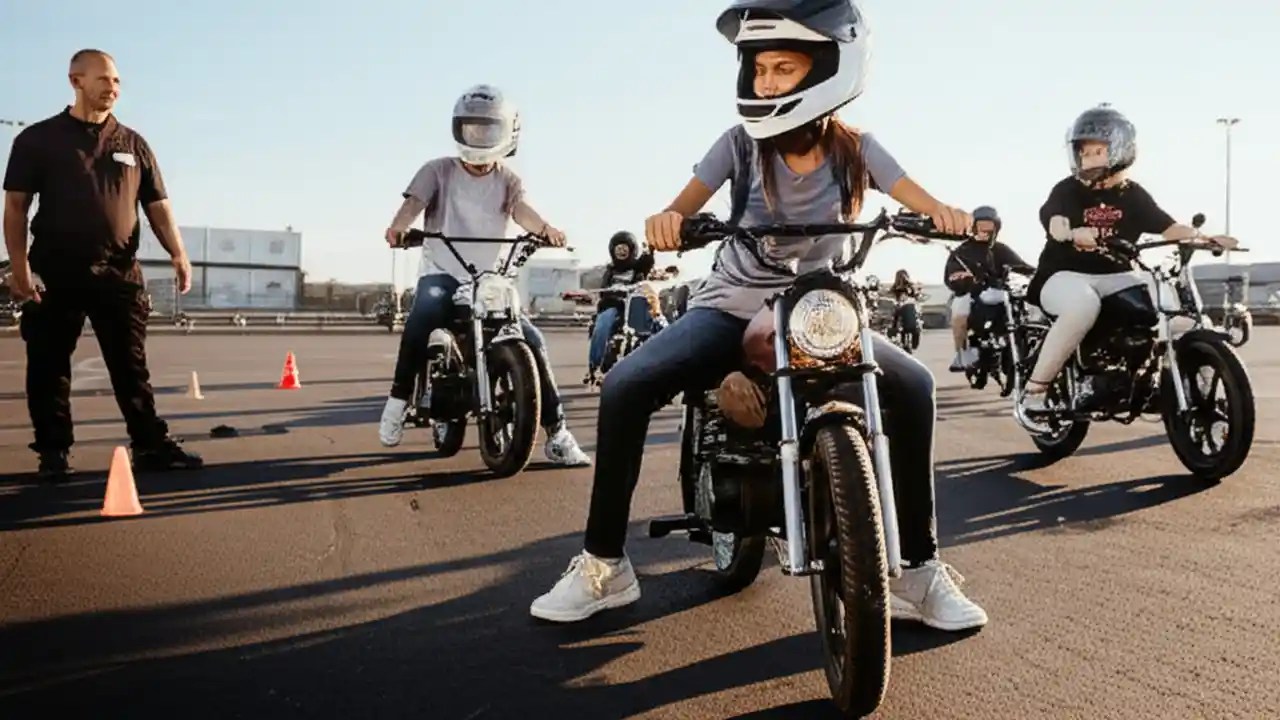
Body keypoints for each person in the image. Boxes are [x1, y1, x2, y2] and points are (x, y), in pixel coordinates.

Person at [531, 0, 988, 632]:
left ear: (829, 70)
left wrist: (948, 216)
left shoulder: (859, 151)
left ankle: (918, 568)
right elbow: (678, 207)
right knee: (625, 385)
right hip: (729, 307)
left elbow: (922, 198)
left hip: (821, 314)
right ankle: (604, 566)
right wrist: (667, 223)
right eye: (761, 68)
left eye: (785, 67)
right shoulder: (738, 147)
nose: (768, 81)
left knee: (914, 386)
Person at [2, 49, 203, 481]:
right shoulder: (37, 140)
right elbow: (16, 208)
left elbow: (158, 206)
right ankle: (53, 452)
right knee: (49, 364)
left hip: (118, 272)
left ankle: (150, 445)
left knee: (131, 365)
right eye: (103, 80)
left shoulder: (133, 143)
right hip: (55, 273)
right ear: (75, 81)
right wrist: (19, 269)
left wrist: (179, 252)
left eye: (117, 82)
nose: (112, 88)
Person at [378, 84, 590, 467]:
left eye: (488, 130)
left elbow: (522, 210)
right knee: (423, 314)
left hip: (489, 281)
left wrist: (546, 229)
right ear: (459, 129)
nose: (479, 137)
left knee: (533, 339)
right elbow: (413, 205)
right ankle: (396, 402)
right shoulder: (437, 170)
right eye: (472, 129)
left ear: (508, 133)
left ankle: (558, 434)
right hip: (443, 273)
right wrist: (398, 228)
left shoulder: (507, 180)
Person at [1020, 104, 1236, 413]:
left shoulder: (1133, 194)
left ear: (1120, 149)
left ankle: (1181, 386)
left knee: (1172, 312)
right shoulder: (1067, 190)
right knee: (1082, 305)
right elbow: (1055, 221)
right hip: (1062, 276)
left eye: (1096, 151)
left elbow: (1168, 227)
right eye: (1083, 152)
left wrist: (1206, 239)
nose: (1087, 158)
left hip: (1115, 275)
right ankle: (1035, 391)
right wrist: (1070, 232)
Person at [943, 205, 1035, 371]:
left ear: (996, 227)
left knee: (1021, 306)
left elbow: (1021, 266)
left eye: (989, 225)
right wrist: (960, 279)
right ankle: (961, 355)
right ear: (974, 226)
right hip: (969, 293)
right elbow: (951, 274)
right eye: (981, 225)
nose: (985, 229)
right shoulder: (962, 251)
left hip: (998, 292)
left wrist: (1037, 273)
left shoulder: (1000, 249)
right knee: (959, 313)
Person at [584, 231, 662, 384]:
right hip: (614, 306)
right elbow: (603, 291)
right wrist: (612, 294)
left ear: (632, 250)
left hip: (634, 306)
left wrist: (650, 249)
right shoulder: (610, 271)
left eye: (624, 249)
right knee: (602, 324)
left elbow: (648, 262)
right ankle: (594, 367)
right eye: (618, 249)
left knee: (657, 326)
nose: (621, 252)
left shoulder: (638, 267)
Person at [886, 268, 922, 337]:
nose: (902, 278)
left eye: (903, 276)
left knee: (916, 313)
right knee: (895, 313)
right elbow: (890, 293)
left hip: (909, 307)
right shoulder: (896, 287)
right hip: (902, 306)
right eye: (900, 276)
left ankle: (894, 328)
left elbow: (916, 294)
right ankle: (894, 328)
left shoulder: (909, 286)